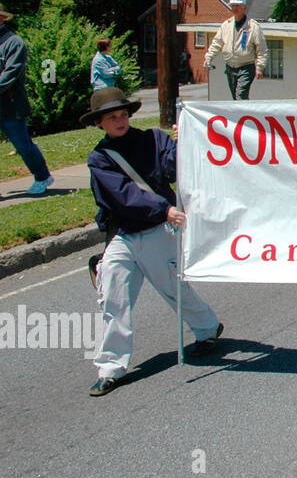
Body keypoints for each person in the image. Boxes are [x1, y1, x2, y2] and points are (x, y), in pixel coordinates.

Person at [83, 86, 223, 397]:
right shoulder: (99, 159)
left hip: (157, 230)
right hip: (123, 234)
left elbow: (175, 169)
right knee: (113, 299)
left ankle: (207, 328)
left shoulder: (154, 139)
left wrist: (184, 140)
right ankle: (110, 367)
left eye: (123, 115)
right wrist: (164, 209)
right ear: (99, 123)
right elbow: (122, 195)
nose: (120, 121)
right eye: (111, 118)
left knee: (174, 288)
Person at [0, 4, 55, 195]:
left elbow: (10, 73)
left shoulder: (14, 42)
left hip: (11, 106)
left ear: (1, 18)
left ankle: (42, 176)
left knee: (22, 145)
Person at [204, 0, 266, 100]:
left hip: (246, 67)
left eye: (237, 6)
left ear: (244, 8)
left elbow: (262, 48)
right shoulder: (226, 25)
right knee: (235, 98)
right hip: (230, 66)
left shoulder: (253, 26)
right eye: (233, 6)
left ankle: (243, 110)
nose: (235, 8)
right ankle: (242, 110)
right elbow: (217, 43)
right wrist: (208, 57)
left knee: (241, 95)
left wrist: (260, 67)